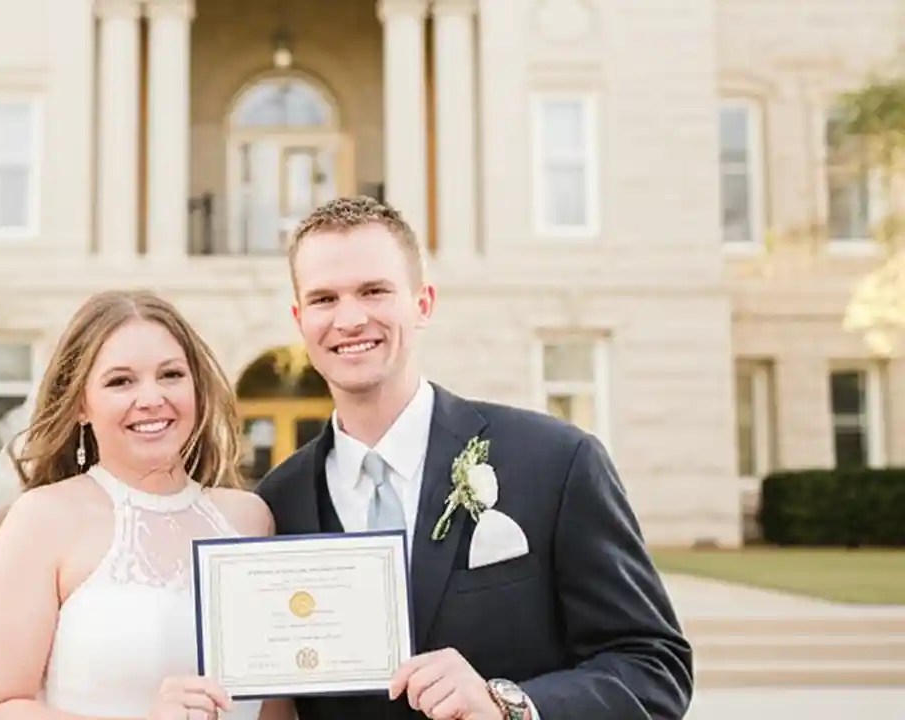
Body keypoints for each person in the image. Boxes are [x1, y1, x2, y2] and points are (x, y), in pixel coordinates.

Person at [255, 197, 693, 720]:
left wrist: (511, 706)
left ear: (423, 304)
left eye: (374, 291)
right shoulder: (277, 505)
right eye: (324, 299)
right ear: (300, 319)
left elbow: (654, 668)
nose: (350, 318)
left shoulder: (556, 461)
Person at [0, 290, 292, 720]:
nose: (151, 398)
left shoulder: (249, 519)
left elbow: (275, 705)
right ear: (80, 406)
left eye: (170, 375)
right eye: (120, 381)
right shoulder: (43, 519)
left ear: (197, 388)